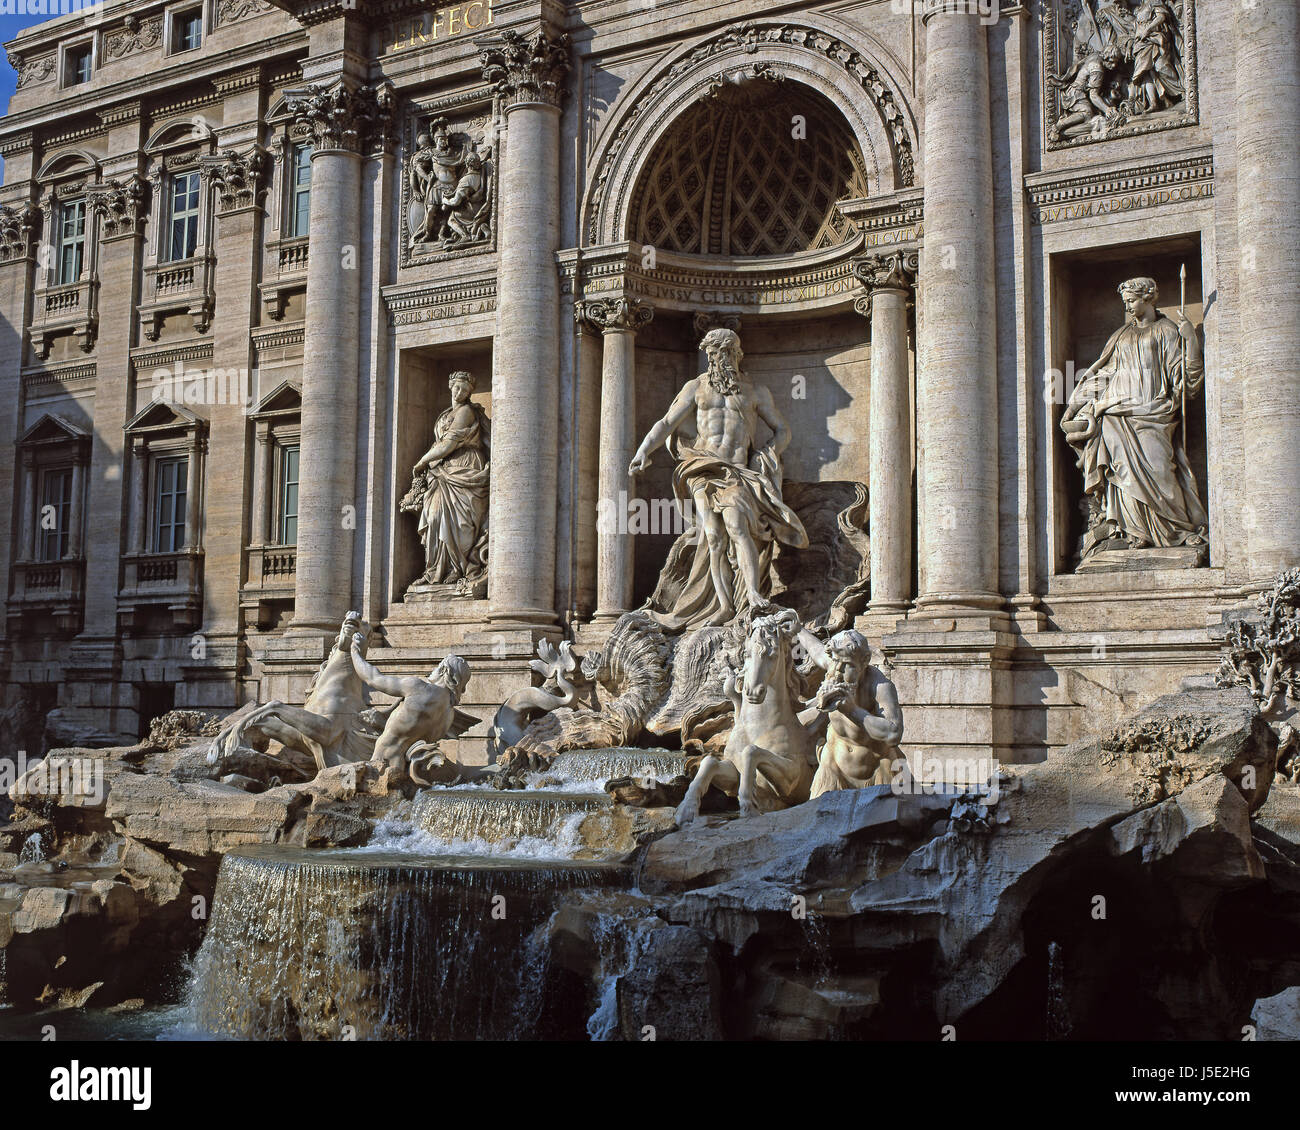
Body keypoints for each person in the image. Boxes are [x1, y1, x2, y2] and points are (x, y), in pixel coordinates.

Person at [629, 327, 807, 630]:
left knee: (737, 525)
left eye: (722, 353)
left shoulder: (755, 391)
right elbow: (667, 421)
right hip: (702, 467)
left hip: (736, 470)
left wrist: (766, 453)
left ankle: (751, 594)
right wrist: (644, 451)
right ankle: (724, 605)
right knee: (712, 534)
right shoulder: (695, 388)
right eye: (712, 354)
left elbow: (782, 430)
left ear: (735, 354)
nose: (716, 360)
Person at [1061, 276, 1207, 561]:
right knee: (1120, 472)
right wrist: (1073, 406)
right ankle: (1134, 531)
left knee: (1161, 468)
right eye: (1125, 302)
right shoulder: (1121, 336)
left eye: (1131, 301)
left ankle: (1176, 527)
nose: (1127, 307)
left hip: (1154, 413)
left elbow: (1187, 380)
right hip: (1116, 413)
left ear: (1148, 298)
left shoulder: (1166, 331)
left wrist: (1190, 339)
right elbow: (1102, 375)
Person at [406, 370, 490, 589]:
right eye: (458, 387)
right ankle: (434, 569)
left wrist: (422, 461)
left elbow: (449, 444)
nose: (461, 392)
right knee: (434, 518)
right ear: (450, 386)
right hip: (442, 471)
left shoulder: (467, 412)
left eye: (466, 390)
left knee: (461, 523)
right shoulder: (444, 414)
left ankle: (457, 569)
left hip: (465, 466)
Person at [350, 631, 472, 776]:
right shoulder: (448, 715)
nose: (433, 670)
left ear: (444, 671)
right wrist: (380, 722)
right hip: (407, 771)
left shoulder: (419, 688)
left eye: (437, 666)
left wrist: (355, 651)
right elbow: (411, 734)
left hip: (382, 763)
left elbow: (372, 678)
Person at [799, 627, 904, 794]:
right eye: (835, 661)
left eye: (847, 665)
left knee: (883, 819)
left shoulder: (880, 686)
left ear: (864, 661)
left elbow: (894, 734)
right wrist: (796, 627)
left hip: (877, 770)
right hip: (833, 767)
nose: (838, 671)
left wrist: (852, 710)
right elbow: (815, 649)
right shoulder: (835, 666)